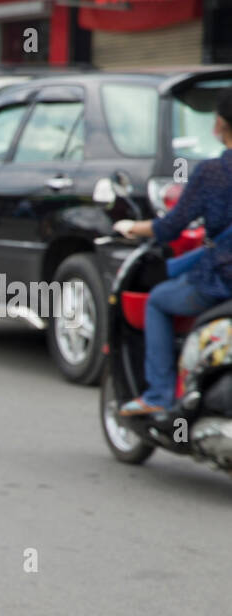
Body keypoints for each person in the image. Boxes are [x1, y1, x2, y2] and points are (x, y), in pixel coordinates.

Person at [116, 87, 232, 415]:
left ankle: (159, 394)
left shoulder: (211, 172)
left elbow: (170, 227)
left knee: (159, 300)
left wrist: (131, 227)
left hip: (221, 279)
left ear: (218, 125)